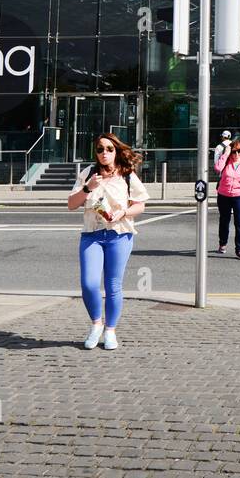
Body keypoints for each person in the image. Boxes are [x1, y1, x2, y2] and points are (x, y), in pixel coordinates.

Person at [67, 132, 149, 350]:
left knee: (113, 285)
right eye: (100, 149)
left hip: (119, 234)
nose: (104, 153)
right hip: (91, 234)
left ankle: (110, 330)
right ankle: (96, 324)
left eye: (109, 149)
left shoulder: (127, 175)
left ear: (116, 151)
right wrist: (88, 187)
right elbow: (71, 204)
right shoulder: (88, 174)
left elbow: (140, 204)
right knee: (89, 283)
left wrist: (123, 213)